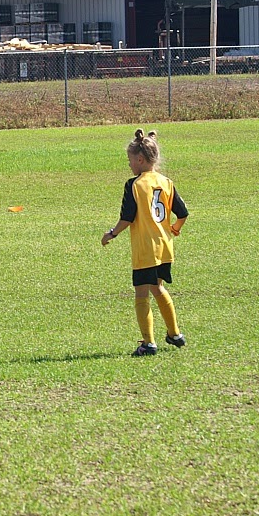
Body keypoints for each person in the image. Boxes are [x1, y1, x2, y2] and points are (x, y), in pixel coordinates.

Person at [102, 129, 189, 357]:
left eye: (130, 160)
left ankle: (148, 343)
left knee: (142, 293)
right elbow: (183, 213)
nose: (129, 165)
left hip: (144, 249)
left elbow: (127, 218)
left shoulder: (134, 185)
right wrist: (175, 229)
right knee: (158, 288)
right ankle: (175, 333)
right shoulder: (166, 182)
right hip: (164, 247)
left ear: (140, 160)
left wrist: (111, 234)